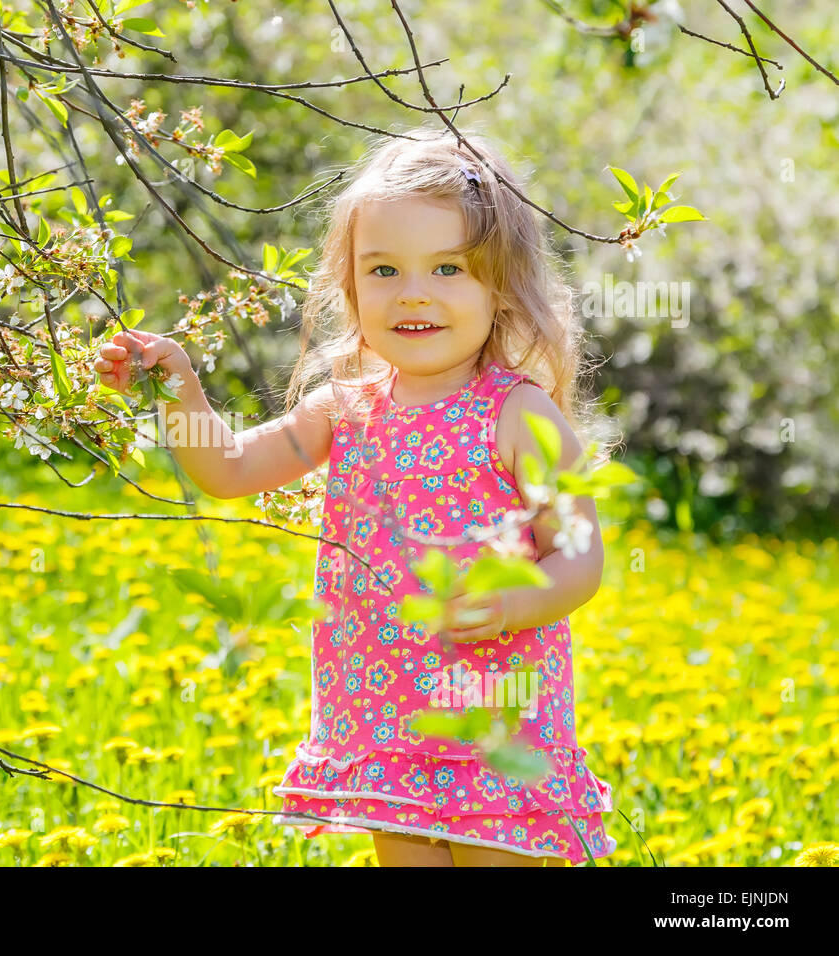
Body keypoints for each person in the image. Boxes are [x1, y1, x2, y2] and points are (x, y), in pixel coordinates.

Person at [91, 126, 621, 867]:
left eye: (447, 269)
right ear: (350, 286)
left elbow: (579, 557)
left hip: (497, 722)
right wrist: (177, 380)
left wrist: (511, 601)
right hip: (383, 722)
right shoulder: (348, 409)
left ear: (499, 286)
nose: (413, 293)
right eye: (383, 270)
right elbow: (231, 468)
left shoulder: (517, 413)